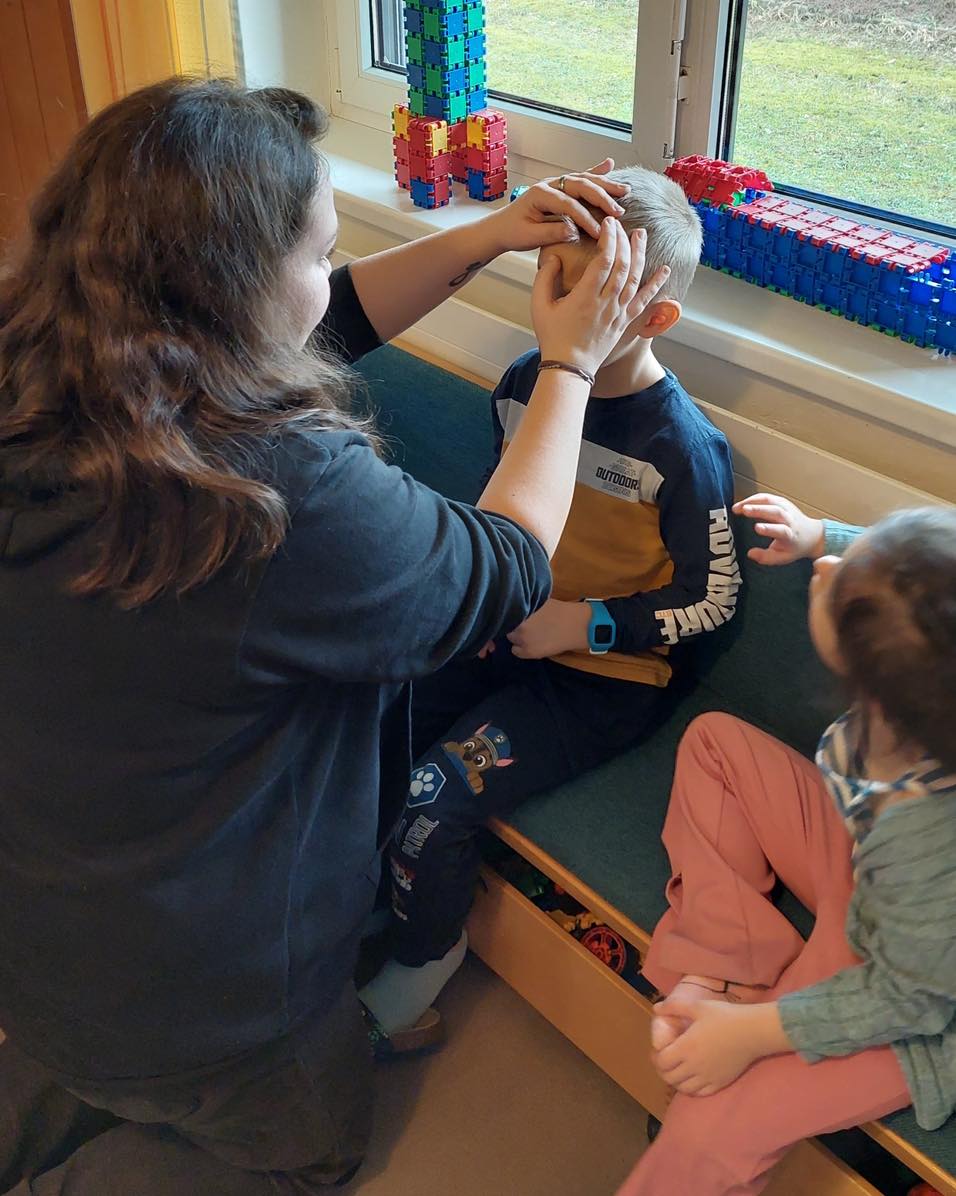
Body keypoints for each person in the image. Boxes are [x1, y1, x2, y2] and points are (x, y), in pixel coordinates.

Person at [0, 78, 671, 1194]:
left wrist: (486, 237)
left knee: (85, 1056)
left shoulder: (49, 353)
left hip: (45, 906)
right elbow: (502, 567)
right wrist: (569, 364)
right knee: (307, 1145)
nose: (331, 276)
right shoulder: (270, 496)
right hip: (211, 980)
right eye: (320, 250)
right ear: (230, 285)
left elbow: (321, 321)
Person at [361, 166, 742, 1043]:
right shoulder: (526, 382)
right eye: (552, 282)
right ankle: (380, 893)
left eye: (588, 293)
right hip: (507, 633)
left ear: (653, 316)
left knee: (432, 798)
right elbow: (500, 509)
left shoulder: (682, 448)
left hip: (602, 681)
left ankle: (427, 956)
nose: (557, 311)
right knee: (371, 720)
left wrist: (586, 623)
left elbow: (712, 598)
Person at [614, 495, 956, 1196]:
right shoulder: (926, 683)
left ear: (875, 682)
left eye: (840, 577)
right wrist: (820, 534)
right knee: (715, 742)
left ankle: (739, 1022)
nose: (827, 567)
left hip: (915, 993)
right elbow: (925, 575)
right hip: (870, 884)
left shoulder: (928, 832)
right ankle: (728, 968)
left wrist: (752, 1037)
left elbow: (911, 998)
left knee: (707, 1128)